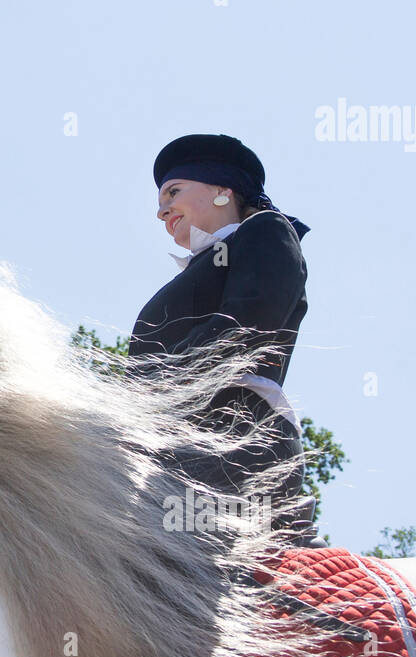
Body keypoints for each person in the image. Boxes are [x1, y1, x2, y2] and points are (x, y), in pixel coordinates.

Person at [128, 134, 324, 547]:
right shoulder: (192, 273)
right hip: (166, 442)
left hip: (236, 434)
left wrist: (147, 394)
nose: (161, 209)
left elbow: (246, 327)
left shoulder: (266, 231)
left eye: (173, 192)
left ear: (221, 191)